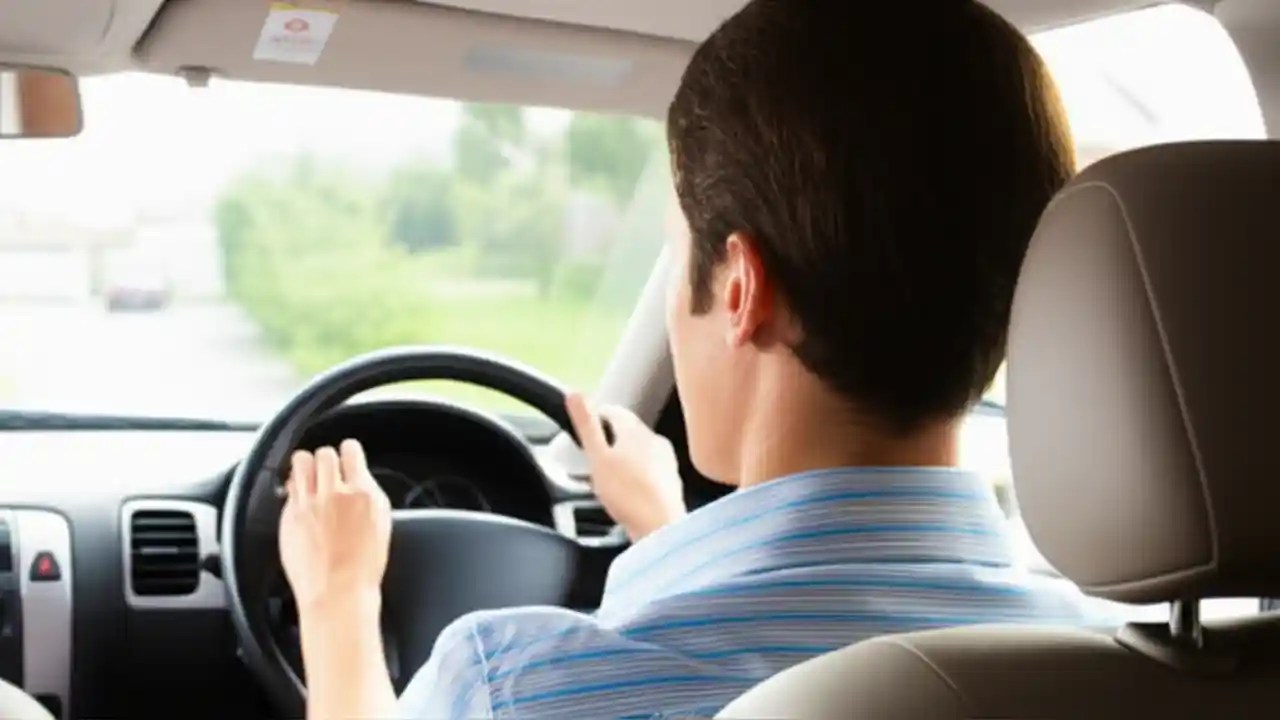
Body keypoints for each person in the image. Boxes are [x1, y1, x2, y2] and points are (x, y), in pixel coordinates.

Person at [277, 1, 1106, 718]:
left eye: (678, 259)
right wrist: (670, 533)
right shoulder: (1119, 666)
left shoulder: (518, 688)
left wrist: (338, 599)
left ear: (741, 288)